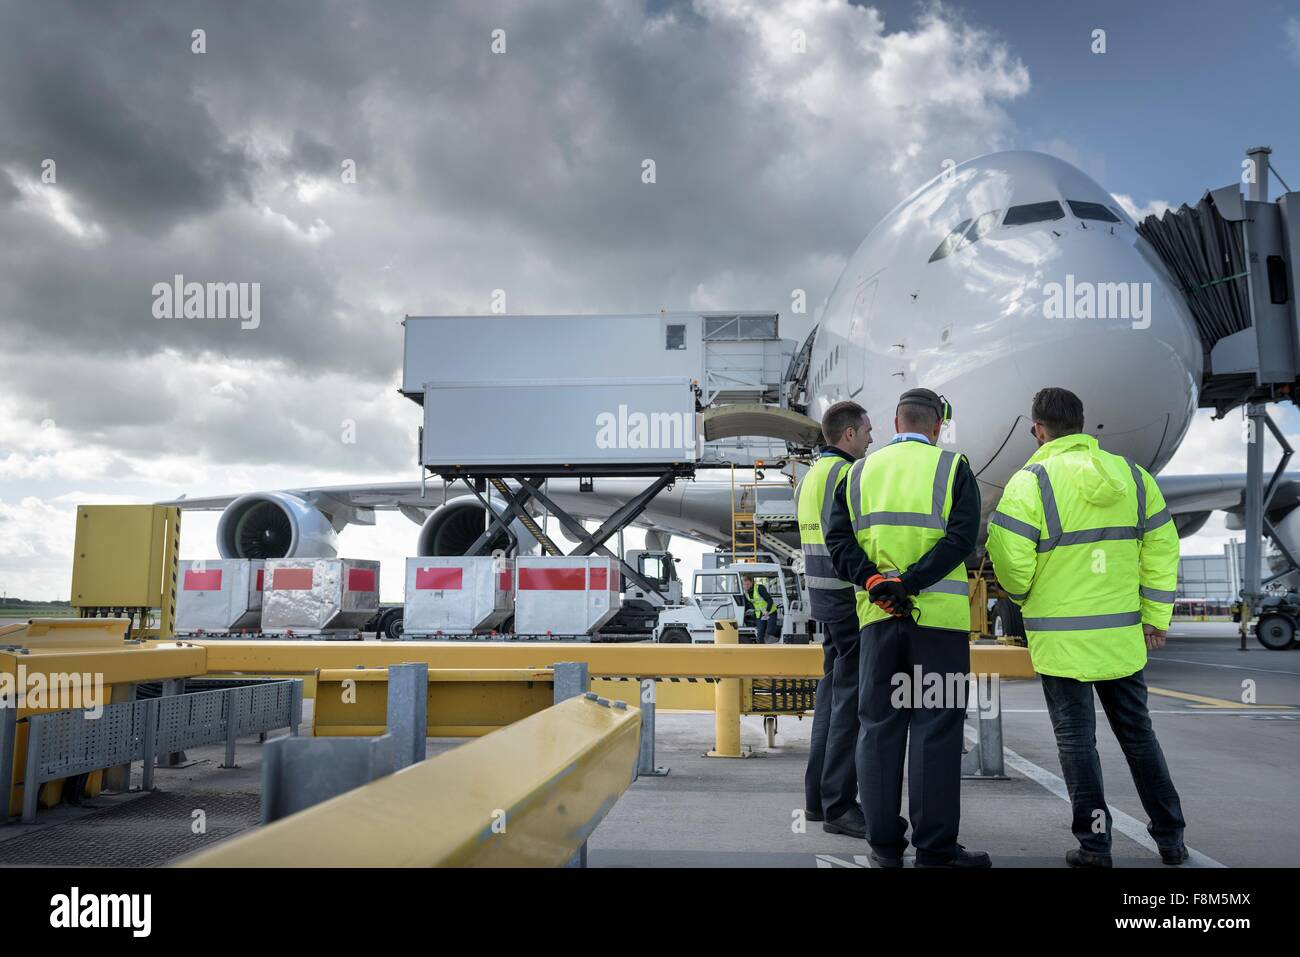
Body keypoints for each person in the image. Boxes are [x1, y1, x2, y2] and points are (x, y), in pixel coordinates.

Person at [985, 387, 1186, 868]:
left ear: (1037, 429)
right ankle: (1171, 839)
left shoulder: (1028, 482)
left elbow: (1009, 560)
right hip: (1121, 638)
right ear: (1082, 423)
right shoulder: (1134, 477)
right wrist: (1155, 615)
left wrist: (1026, 594)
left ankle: (1096, 846)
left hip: (1061, 640)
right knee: (1139, 737)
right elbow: (1161, 549)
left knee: (1077, 742)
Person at [826, 387, 990, 868]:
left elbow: (839, 543)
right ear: (937, 427)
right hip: (937, 625)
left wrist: (877, 582)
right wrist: (910, 583)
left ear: (896, 423)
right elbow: (962, 540)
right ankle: (936, 851)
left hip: (877, 622)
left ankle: (883, 848)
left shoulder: (856, 474)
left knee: (877, 729)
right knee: (935, 731)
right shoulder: (954, 468)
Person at [796, 400, 872, 838]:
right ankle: (840, 804)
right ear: (848, 435)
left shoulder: (811, 476)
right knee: (848, 705)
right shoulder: (846, 475)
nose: (870, 438)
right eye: (866, 431)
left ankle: (817, 800)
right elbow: (851, 541)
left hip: (823, 601)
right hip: (847, 601)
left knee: (829, 698)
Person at [741, 574, 777, 643]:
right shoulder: (746, 593)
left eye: (748, 584)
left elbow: (770, 600)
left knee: (770, 631)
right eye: (744, 585)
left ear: (752, 583)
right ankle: (761, 649)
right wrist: (748, 612)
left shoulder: (759, 588)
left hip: (770, 612)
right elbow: (751, 604)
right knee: (760, 633)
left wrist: (767, 611)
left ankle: (773, 644)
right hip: (760, 614)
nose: (746, 586)